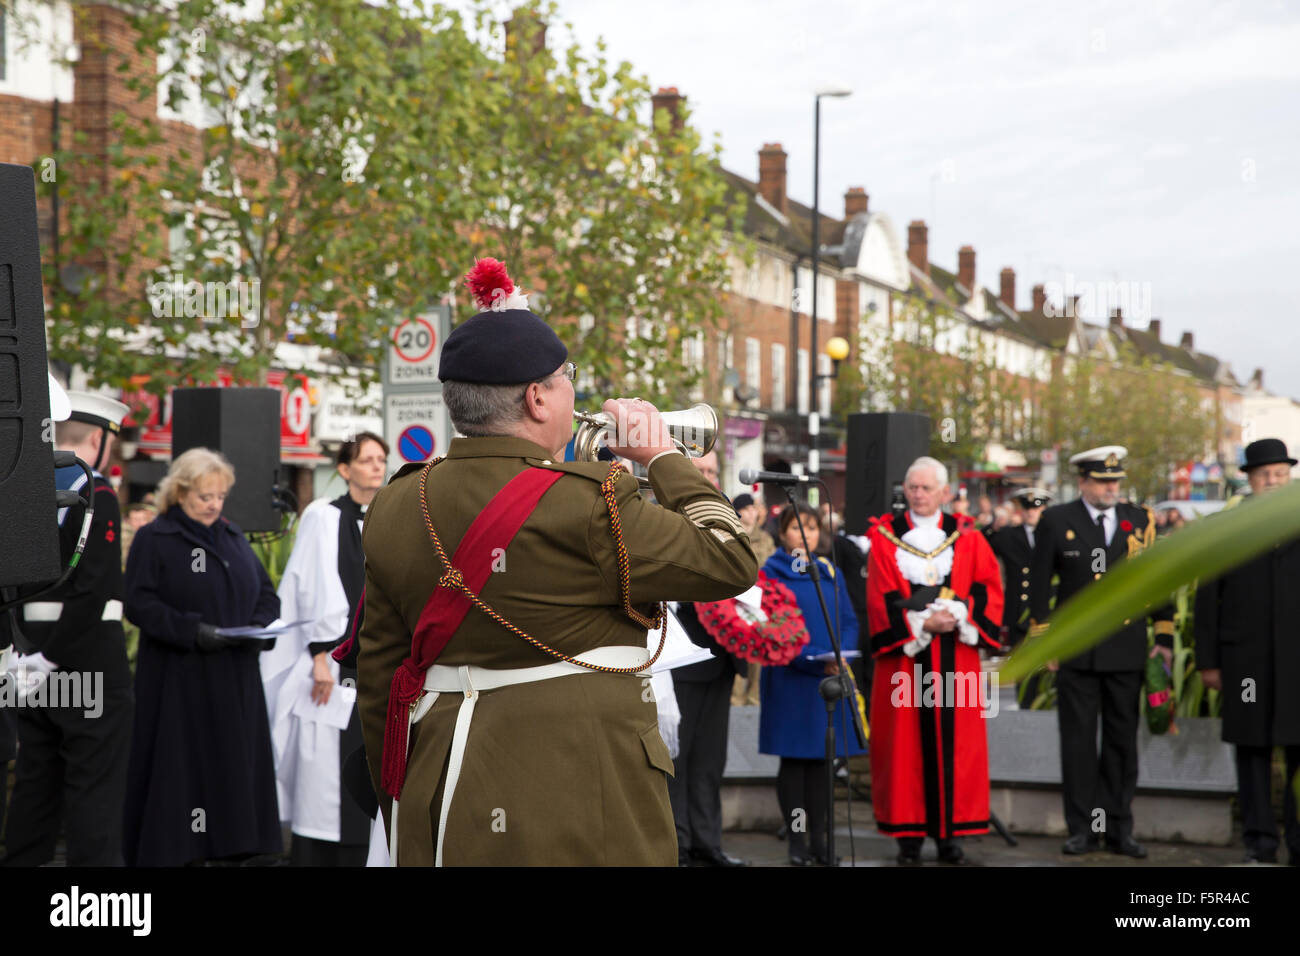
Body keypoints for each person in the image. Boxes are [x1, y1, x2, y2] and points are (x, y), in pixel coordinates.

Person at [356, 259, 758, 866]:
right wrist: (664, 457)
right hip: (581, 796)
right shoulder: (591, 499)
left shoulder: (394, 501)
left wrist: (405, 805)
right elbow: (729, 559)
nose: (577, 391)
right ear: (538, 398)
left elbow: (381, 679)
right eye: (568, 377)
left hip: (441, 792)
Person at [122, 447, 282, 866]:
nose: (213, 505)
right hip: (182, 680)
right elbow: (138, 603)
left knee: (232, 769)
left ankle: (232, 845)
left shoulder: (232, 536)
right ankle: (183, 850)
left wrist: (260, 626)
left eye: (220, 497)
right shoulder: (154, 538)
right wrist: (192, 630)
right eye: (204, 497)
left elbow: (266, 594)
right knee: (184, 770)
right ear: (179, 493)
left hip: (235, 675)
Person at [1, 392, 134, 867]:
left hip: (29, 659)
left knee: (36, 785)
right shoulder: (96, 493)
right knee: (94, 790)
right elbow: (95, 589)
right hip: (87, 662)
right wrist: (52, 657)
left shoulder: (22, 489)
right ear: (98, 438)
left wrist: (27, 654)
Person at [1028, 445, 1174, 858]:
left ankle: (1118, 829)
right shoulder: (1058, 520)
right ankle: (1081, 829)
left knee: (1120, 743)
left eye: (1116, 481)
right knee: (1077, 744)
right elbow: (1039, 586)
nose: (1112, 488)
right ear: (1083, 482)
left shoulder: (1138, 519)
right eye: (1103, 481)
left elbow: (1155, 578)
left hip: (1125, 648)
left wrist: (1162, 634)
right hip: (1077, 650)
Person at [866, 457, 1003, 865]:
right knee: (902, 749)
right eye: (912, 487)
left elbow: (988, 587)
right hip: (905, 663)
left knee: (958, 747)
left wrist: (958, 616)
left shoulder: (967, 536)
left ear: (944, 492)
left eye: (926, 488)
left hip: (955, 660)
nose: (918, 495)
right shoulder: (885, 536)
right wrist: (925, 623)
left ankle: (950, 837)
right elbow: (880, 597)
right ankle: (908, 840)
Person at [262, 432, 389, 867]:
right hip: (330, 663)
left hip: (377, 664)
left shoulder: (391, 516)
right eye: (367, 459)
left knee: (370, 760)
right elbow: (308, 585)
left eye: (381, 459)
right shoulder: (322, 516)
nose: (377, 465)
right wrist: (319, 653)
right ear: (344, 469)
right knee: (325, 777)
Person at [1195, 438, 1300, 864]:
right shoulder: (1227, 530)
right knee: (1252, 749)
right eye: (1263, 475)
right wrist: (1208, 661)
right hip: (1247, 666)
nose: (1272, 481)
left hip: (1297, 665)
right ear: (1250, 479)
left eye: (1279, 474)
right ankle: (1259, 843)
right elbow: (1207, 599)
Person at [760, 502, 864, 866]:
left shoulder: (829, 571)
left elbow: (849, 618)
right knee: (795, 765)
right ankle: (797, 842)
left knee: (823, 764)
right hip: (792, 680)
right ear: (782, 533)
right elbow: (771, 628)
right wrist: (812, 658)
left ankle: (820, 841)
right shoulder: (770, 574)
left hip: (829, 680)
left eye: (813, 528)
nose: (806, 535)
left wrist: (842, 655)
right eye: (796, 528)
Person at [986, 488, 1051, 649]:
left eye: (1036, 508)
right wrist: (993, 527)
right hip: (1018, 609)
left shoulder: (1053, 534)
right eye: (1027, 508)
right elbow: (983, 545)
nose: (1031, 513)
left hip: (1046, 607)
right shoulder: (1008, 535)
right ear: (1021, 511)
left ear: (1044, 509)